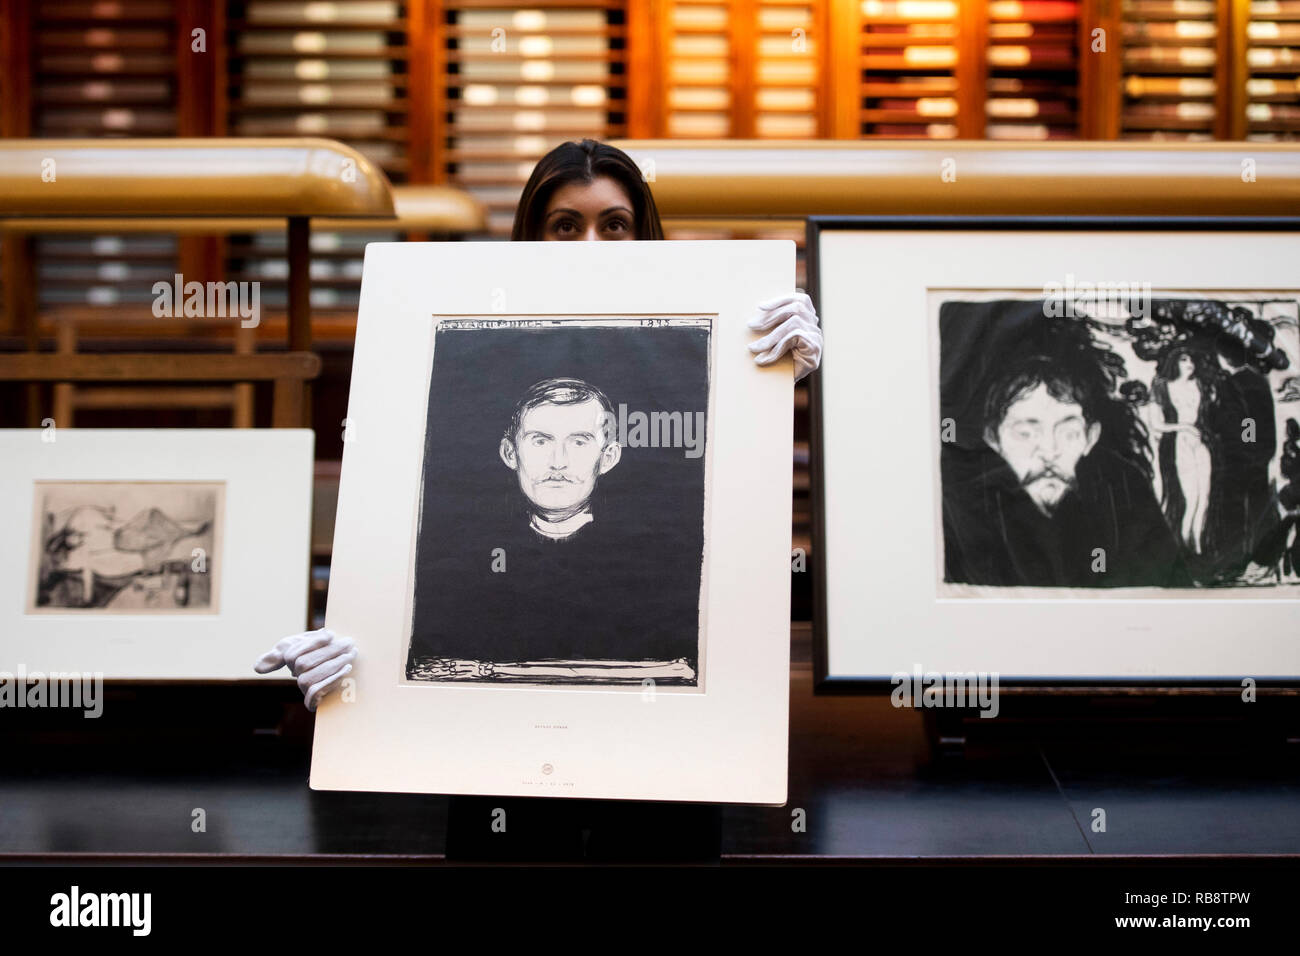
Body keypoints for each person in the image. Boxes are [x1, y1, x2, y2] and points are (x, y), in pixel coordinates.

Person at [257, 137, 822, 706]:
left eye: (616, 225)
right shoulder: (459, 361)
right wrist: (354, 643)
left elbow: (728, 521)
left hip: (663, 743)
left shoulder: (693, 365)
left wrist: (769, 387)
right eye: (566, 226)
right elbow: (403, 545)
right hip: (478, 743)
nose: (591, 247)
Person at [943, 355, 1185, 588]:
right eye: (1026, 434)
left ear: (1091, 438)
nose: (1049, 451)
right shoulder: (962, 504)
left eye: (1068, 433)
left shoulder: (1123, 488)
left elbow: (1166, 584)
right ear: (993, 439)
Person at [1149, 347, 1216, 554]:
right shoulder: (1161, 386)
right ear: (1174, 362)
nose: (1189, 364)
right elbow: (1156, 424)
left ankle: (1197, 547)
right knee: (1189, 500)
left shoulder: (1200, 385)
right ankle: (1185, 549)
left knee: (1204, 500)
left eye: (1192, 359)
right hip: (1180, 445)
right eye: (1183, 359)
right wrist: (1184, 427)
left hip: (1201, 445)